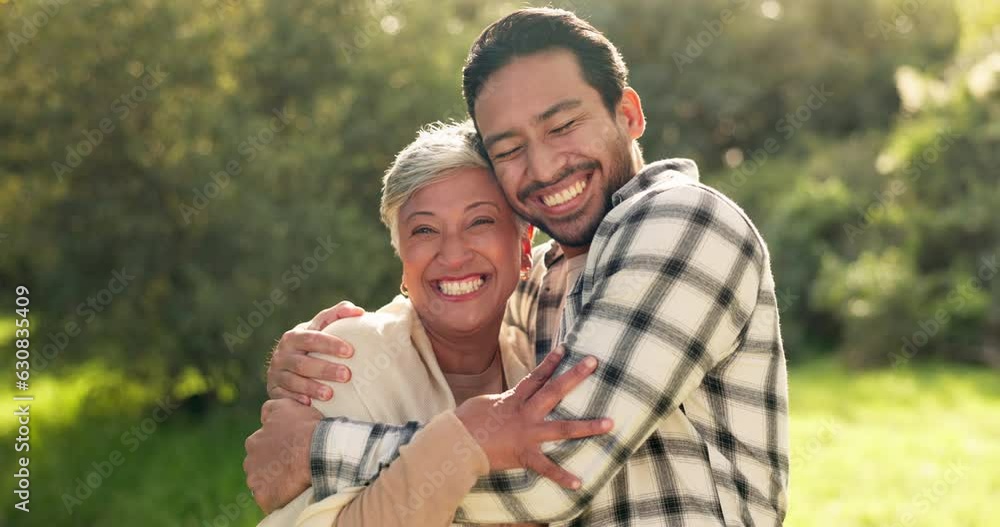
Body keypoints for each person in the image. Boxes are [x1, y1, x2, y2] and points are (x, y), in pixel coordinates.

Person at [247, 7, 790, 526]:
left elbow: (549, 473)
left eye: (562, 126)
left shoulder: (680, 220)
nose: (544, 167)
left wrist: (315, 449)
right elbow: (450, 304)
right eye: (508, 149)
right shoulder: (539, 285)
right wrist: (313, 356)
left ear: (628, 114)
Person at [250, 120, 611, 526]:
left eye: (479, 221)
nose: (453, 255)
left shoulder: (533, 364)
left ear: (525, 247)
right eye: (424, 230)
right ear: (403, 260)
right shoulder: (345, 356)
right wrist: (467, 441)